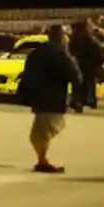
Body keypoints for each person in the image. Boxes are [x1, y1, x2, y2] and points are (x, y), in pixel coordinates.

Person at [18, 24, 82, 173]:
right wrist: (77, 97)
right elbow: (75, 75)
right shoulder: (61, 53)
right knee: (51, 127)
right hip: (54, 97)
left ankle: (42, 159)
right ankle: (42, 160)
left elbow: (27, 73)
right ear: (62, 37)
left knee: (41, 130)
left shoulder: (36, 52)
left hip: (38, 97)